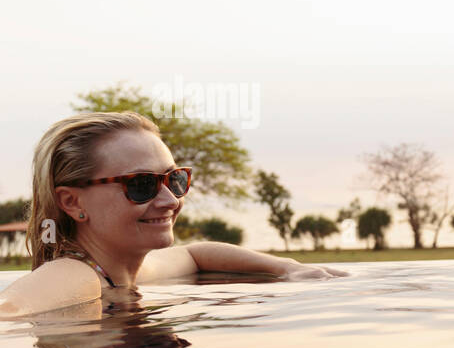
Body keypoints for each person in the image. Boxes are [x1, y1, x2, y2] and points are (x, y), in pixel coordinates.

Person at [0, 112, 343, 318]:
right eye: (141, 185)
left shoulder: (123, 273)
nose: (170, 200)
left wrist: (290, 269)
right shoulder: (75, 277)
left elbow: (195, 254)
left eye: (174, 179)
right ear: (73, 203)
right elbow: (9, 309)